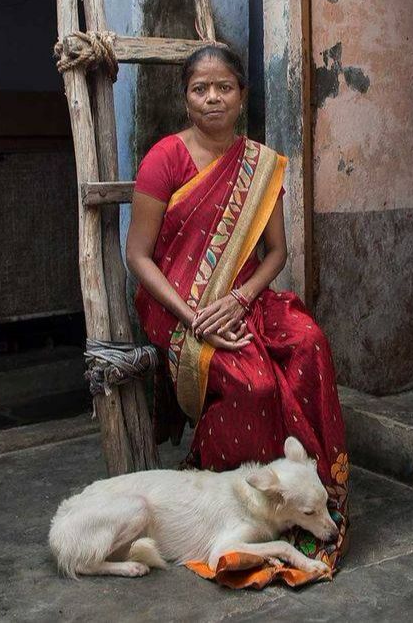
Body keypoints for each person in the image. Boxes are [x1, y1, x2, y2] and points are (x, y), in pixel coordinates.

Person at [125, 45, 347, 588]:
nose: (212, 98)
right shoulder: (165, 158)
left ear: (242, 95)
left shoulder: (260, 166)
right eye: (200, 88)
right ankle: (233, 506)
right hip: (177, 304)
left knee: (310, 341)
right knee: (253, 383)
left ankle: (316, 494)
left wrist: (241, 299)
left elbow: (277, 252)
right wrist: (194, 316)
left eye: (223, 87)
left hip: (244, 297)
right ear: (186, 98)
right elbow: (138, 256)